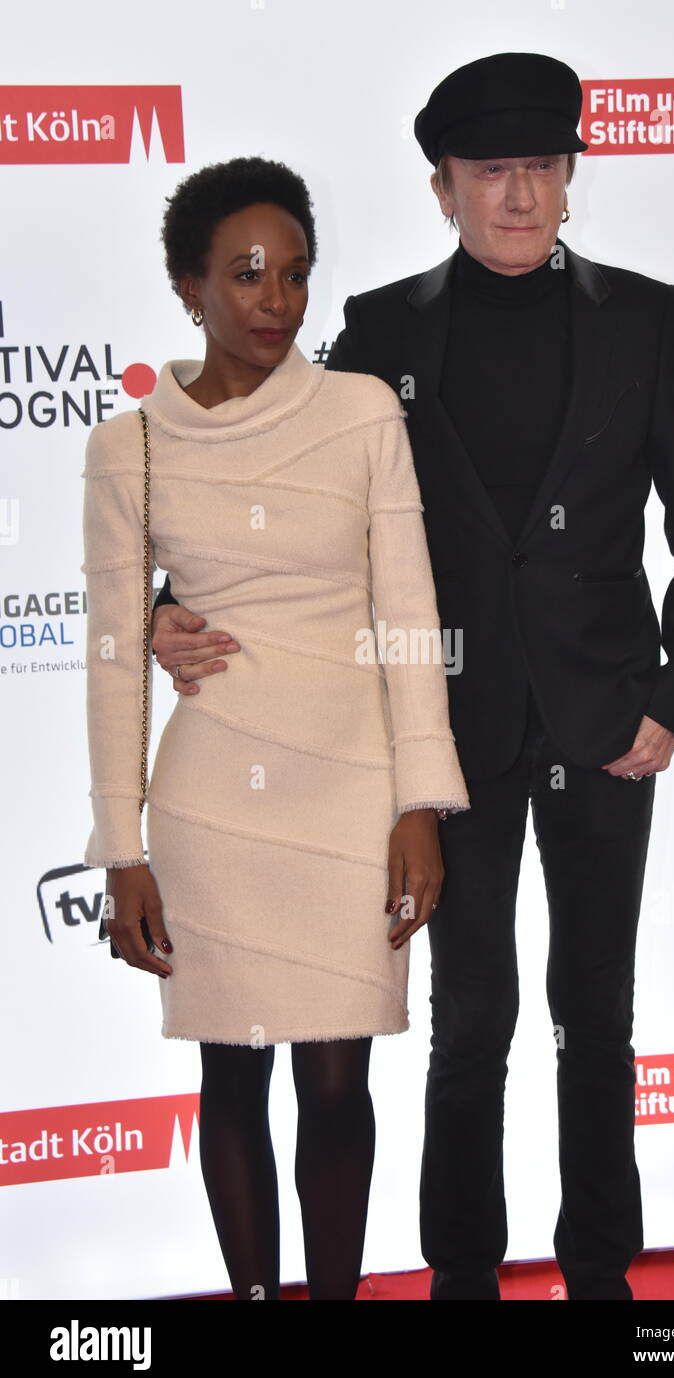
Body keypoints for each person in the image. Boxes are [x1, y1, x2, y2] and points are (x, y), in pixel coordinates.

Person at [151, 54, 674, 1300]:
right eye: (488, 173)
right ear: (442, 190)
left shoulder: (641, 317)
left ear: (570, 179)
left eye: (538, 168)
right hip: (440, 738)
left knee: (598, 1020)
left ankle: (599, 1274)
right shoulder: (381, 331)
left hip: (604, 726)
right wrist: (166, 601)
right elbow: (281, 504)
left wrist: (670, 699)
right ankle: (462, 1277)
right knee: (469, 1026)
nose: (516, 194)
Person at [81, 155, 469, 1301]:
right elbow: (113, 659)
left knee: (339, 1089)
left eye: (294, 274)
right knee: (234, 1077)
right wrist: (121, 850)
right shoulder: (129, 449)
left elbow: (408, 615)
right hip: (211, 800)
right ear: (185, 285)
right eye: (245, 274)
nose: (275, 300)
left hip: (350, 788)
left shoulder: (359, 413)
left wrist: (418, 801)